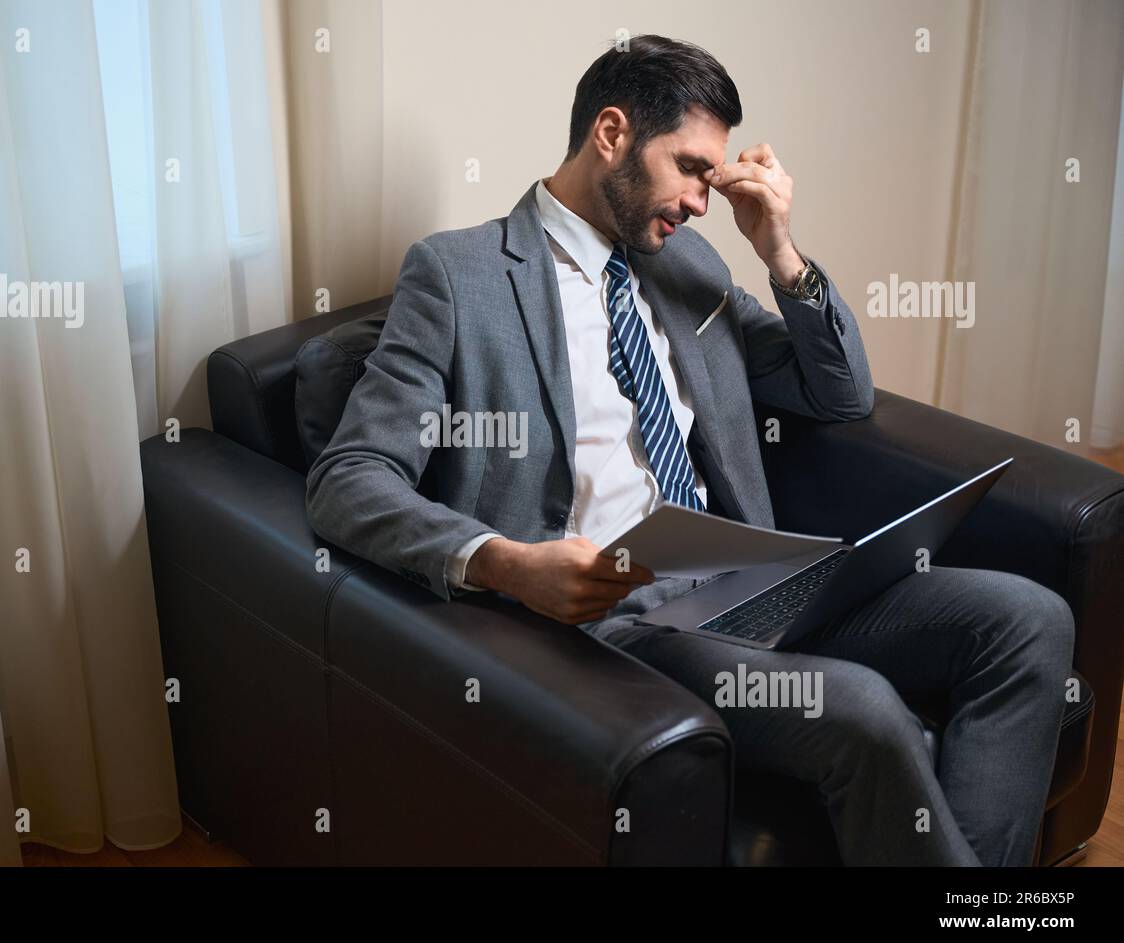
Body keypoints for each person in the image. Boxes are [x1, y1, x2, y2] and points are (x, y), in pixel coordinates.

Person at [305, 34, 1073, 866]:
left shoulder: (687, 264)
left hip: (757, 584)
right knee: (864, 708)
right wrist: (505, 562)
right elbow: (350, 478)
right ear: (612, 134)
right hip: (623, 622)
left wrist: (780, 251)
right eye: (692, 168)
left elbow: (837, 394)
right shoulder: (459, 277)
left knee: (1028, 619)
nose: (704, 199)